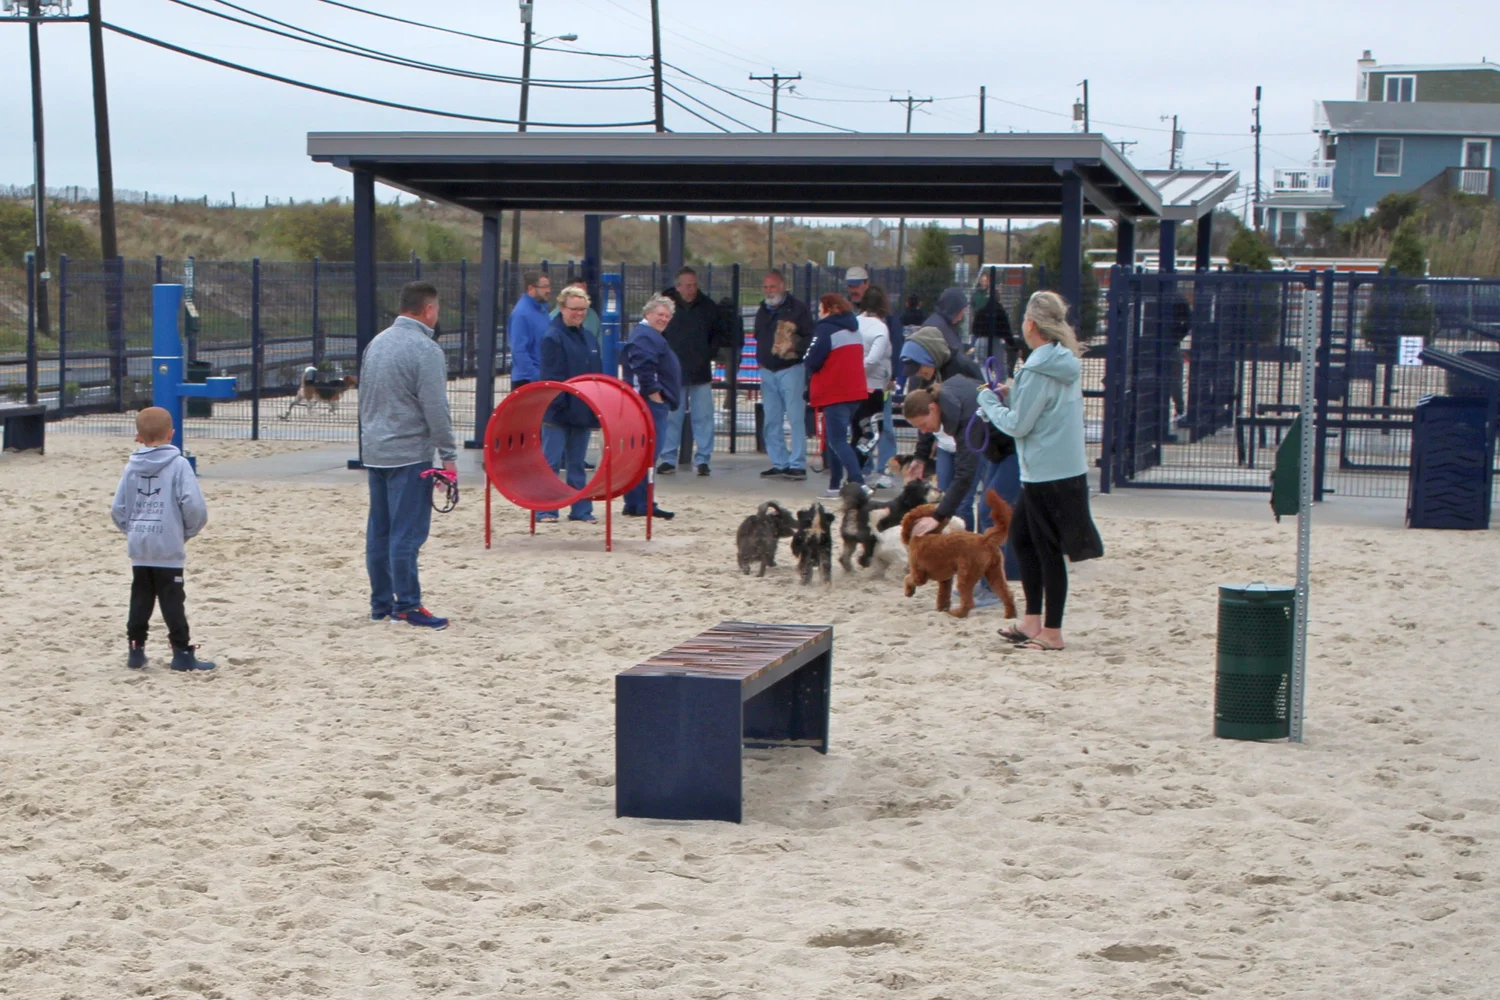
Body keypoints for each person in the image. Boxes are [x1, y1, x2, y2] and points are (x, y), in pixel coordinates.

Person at [975, 290, 1104, 652]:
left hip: (1046, 470)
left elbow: (1018, 425)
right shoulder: (1061, 360)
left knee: (1046, 550)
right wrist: (1013, 390)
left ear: (1031, 324)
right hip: (1060, 468)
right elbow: (1040, 406)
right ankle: (1033, 621)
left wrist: (988, 400)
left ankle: (1052, 631)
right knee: (1024, 538)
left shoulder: (1036, 367)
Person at [359, 280, 457, 630]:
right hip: (409, 452)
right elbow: (436, 408)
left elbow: (366, 398)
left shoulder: (376, 344)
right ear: (428, 310)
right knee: (407, 533)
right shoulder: (425, 350)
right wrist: (448, 457)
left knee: (380, 532)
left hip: (376, 451)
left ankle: (381, 604)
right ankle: (408, 605)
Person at [111, 406, 215, 671]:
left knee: (141, 597)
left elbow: (118, 509)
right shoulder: (179, 465)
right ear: (172, 434)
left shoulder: (131, 467)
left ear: (139, 437)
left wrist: (132, 529)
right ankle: (181, 652)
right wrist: (185, 532)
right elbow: (194, 507)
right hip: (167, 544)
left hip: (140, 544)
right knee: (172, 600)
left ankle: (136, 649)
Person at [898, 328, 986, 528]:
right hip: (946, 442)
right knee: (945, 498)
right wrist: (921, 455)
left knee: (963, 502)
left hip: (971, 439)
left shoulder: (963, 367)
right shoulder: (931, 375)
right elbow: (922, 415)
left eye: (920, 368)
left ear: (930, 356)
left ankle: (965, 549)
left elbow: (983, 394)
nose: (921, 374)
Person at [538, 285, 604, 524]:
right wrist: (561, 406)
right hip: (558, 412)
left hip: (582, 410)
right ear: (562, 308)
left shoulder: (587, 337)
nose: (579, 313)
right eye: (574, 309)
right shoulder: (552, 336)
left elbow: (595, 374)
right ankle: (546, 509)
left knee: (577, 463)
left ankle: (581, 509)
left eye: (583, 309)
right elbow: (552, 378)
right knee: (551, 462)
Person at [659, 266, 724, 477]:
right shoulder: (664, 304)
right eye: (687, 285)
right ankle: (668, 459)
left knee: (703, 417)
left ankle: (703, 459)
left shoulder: (707, 307)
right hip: (672, 372)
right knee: (671, 417)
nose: (691, 289)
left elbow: (717, 334)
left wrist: (708, 354)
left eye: (694, 285)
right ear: (678, 286)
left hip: (700, 371)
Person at [619, 295, 680, 521]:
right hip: (649, 404)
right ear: (647, 314)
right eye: (660, 315)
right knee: (648, 455)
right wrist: (655, 395)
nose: (664, 319)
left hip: (647, 402)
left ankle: (636, 502)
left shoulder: (647, 335)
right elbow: (643, 366)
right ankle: (643, 503)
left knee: (641, 455)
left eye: (667, 316)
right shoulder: (646, 337)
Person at [804, 293, 869, 499]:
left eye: (821, 308)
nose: (819, 312)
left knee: (837, 440)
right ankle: (834, 485)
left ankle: (858, 482)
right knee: (833, 439)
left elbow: (812, 359)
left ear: (829, 309)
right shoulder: (854, 329)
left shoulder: (825, 329)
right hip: (854, 392)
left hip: (835, 392)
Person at [753, 268, 814, 481]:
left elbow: (810, 336)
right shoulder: (762, 309)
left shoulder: (799, 309)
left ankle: (797, 463)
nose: (769, 291)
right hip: (767, 371)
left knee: (796, 417)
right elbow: (758, 335)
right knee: (771, 418)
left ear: (783, 286)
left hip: (791, 369)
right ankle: (779, 462)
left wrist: (793, 346)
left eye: (773, 286)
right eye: (766, 287)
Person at [853, 285, 892, 479]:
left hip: (853, 389)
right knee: (871, 433)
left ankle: (856, 471)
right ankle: (857, 471)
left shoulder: (854, 322)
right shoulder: (880, 328)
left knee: (856, 430)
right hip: (873, 388)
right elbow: (873, 359)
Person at [507, 271, 552, 389]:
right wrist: (536, 375)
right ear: (531, 288)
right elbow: (519, 350)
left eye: (548, 286)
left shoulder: (542, 311)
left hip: (540, 376)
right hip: (527, 380)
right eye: (544, 287)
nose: (548, 290)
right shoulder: (521, 314)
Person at [925, 287, 973, 360]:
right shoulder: (940, 327)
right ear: (954, 308)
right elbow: (954, 356)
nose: (961, 317)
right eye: (962, 312)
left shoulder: (939, 321)